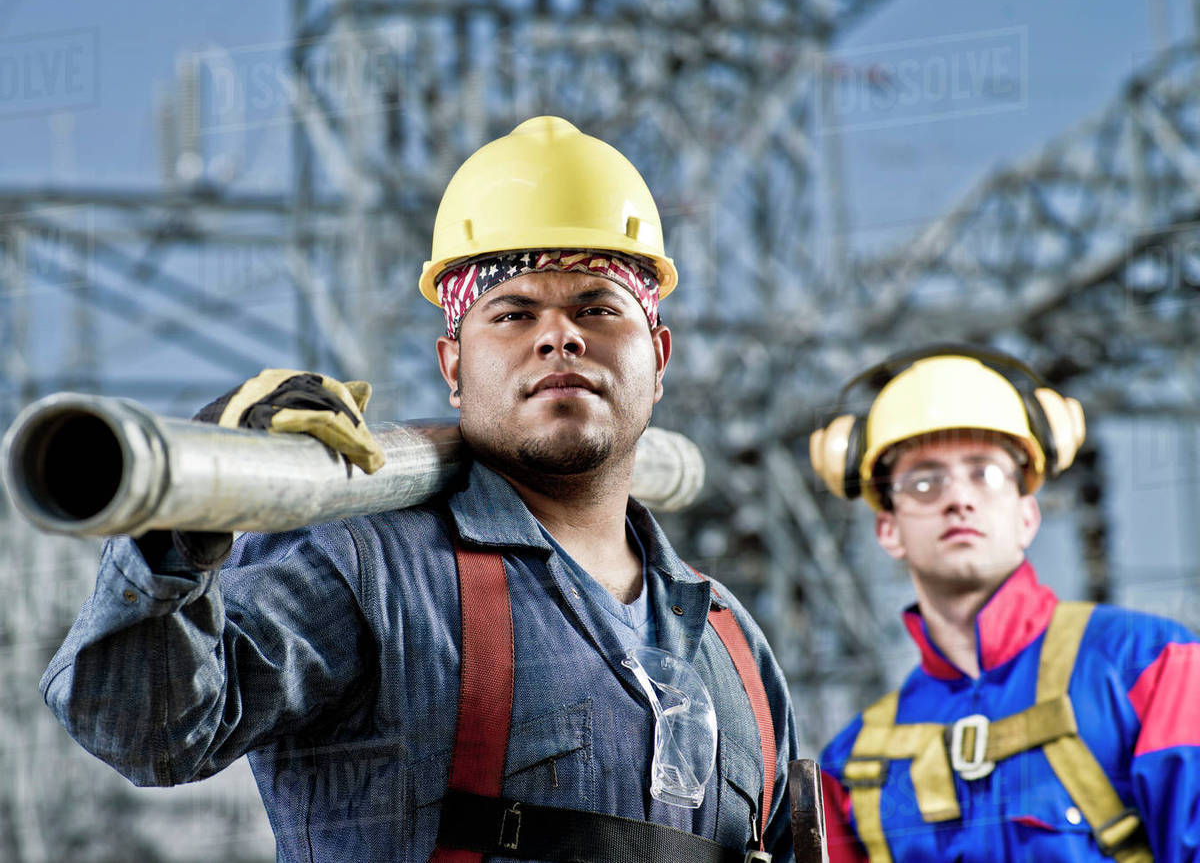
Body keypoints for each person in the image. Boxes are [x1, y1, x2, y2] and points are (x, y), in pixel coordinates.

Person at [41, 115, 800, 862]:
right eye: (513, 312)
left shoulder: (734, 644)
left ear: (658, 358)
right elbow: (144, 729)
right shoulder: (368, 575)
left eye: (598, 308)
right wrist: (186, 510)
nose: (559, 336)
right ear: (453, 367)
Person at [808, 346, 1200, 862]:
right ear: (889, 528)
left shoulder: (1153, 669)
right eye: (924, 481)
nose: (958, 499)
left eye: (985, 473)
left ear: (1027, 515)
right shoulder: (851, 769)